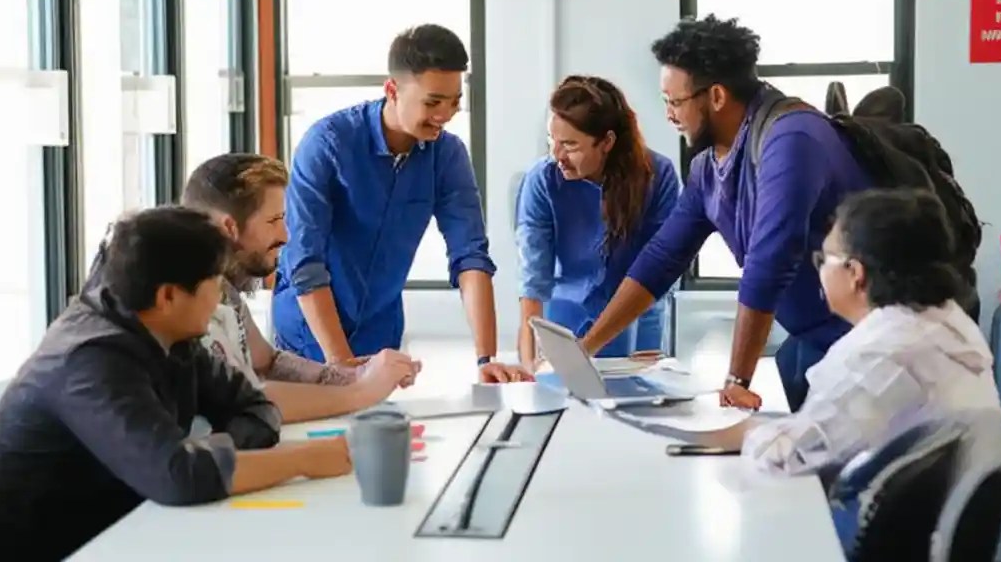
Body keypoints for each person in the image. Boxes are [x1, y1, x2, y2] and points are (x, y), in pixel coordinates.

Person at [0, 208, 352, 561]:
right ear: (169, 296)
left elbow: (255, 408)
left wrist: (209, 459)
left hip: (121, 533)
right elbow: (176, 476)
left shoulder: (167, 330)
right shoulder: (88, 360)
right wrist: (302, 460)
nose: (220, 298)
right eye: (214, 282)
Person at [579, 15, 873, 411]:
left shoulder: (792, 138)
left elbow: (770, 260)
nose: (668, 115)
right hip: (811, 340)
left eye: (674, 102)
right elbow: (661, 259)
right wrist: (586, 349)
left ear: (716, 96)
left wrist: (737, 380)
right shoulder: (707, 168)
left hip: (867, 348)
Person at [272, 23, 531, 383]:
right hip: (309, 332)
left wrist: (485, 358)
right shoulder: (327, 144)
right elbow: (304, 263)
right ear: (392, 90)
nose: (445, 114)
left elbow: (470, 255)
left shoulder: (447, 155)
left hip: (381, 332)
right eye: (432, 102)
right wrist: (341, 363)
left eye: (455, 101)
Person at [697, 189, 1001, 476]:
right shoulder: (948, 322)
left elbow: (788, 456)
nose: (819, 271)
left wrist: (741, 432)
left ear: (855, 273)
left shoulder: (884, 352)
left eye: (823, 259)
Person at [182, 153, 423, 422]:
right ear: (230, 227)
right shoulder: (190, 299)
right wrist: (361, 392)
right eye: (274, 221)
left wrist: (355, 375)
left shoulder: (224, 291)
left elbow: (268, 362)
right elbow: (242, 401)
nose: (284, 236)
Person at [515, 75, 681, 367]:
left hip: (638, 325)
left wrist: (588, 348)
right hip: (564, 324)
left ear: (606, 142)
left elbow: (657, 269)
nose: (557, 155)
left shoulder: (658, 176)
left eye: (570, 145)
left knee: (637, 392)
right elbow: (533, 279)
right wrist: (530, 363)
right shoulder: (542, 180)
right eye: (552, 140)